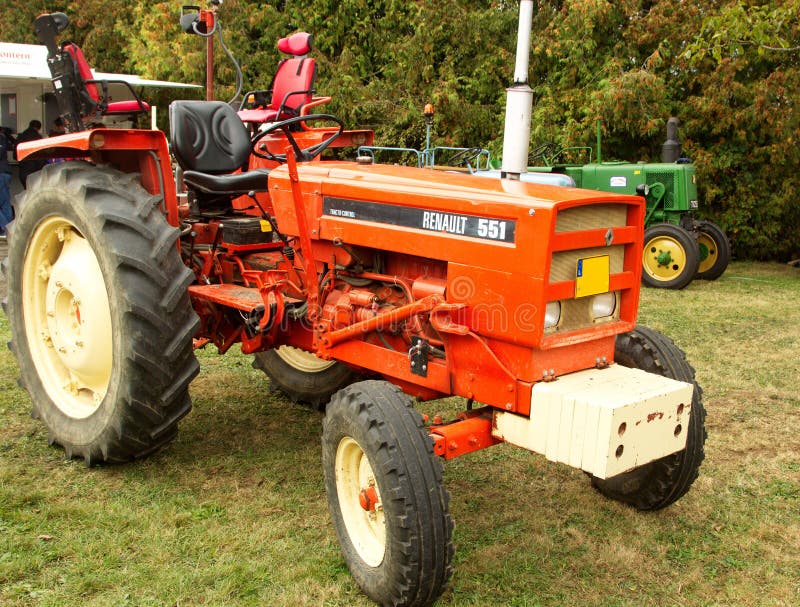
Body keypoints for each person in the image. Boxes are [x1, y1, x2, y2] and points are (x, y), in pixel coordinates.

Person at [15, 119, 46, 189]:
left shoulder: (20, 136)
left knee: (27, 191)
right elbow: (41, 155)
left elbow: (15, 154)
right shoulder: (38, 138)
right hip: (35, 170)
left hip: (23, 169)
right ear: (39, 128)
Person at [0, 127, 13, 238]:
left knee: (4, 202)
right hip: (5, 172)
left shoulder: (1, 140)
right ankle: (9, 229)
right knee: (5, 202)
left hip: (1, 173)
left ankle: (5, 227)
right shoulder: (3, 139)